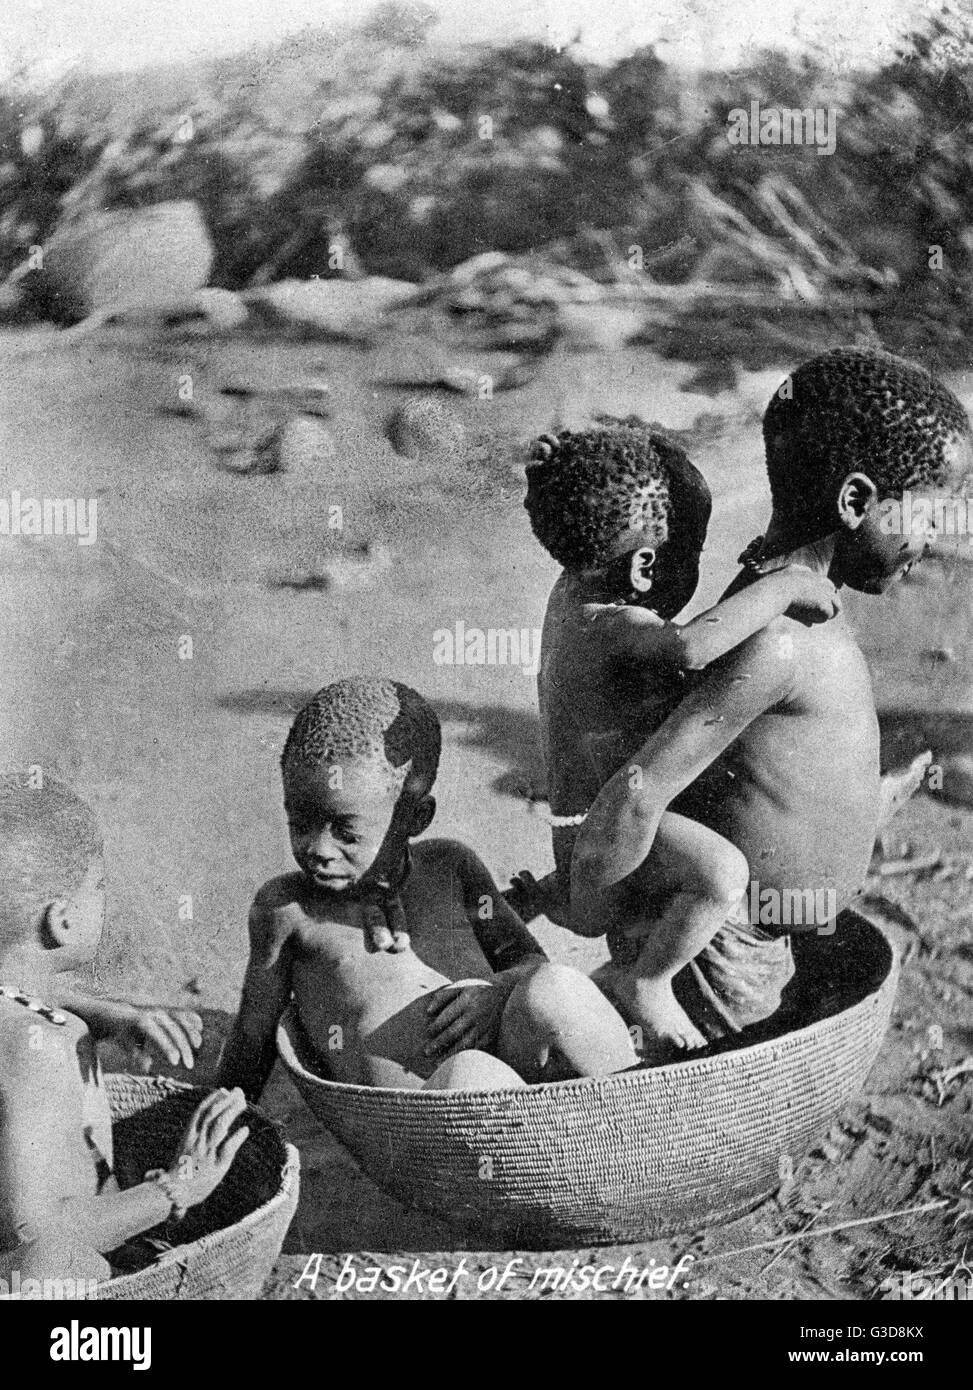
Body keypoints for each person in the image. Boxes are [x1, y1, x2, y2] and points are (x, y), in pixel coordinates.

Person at [568, 347, 971, 1054]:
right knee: (693, 1092)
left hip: (761, 940)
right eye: (931, 513)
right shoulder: (773, 639)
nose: (937, 539)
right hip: (718, 954)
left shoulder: (801, 612)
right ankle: (608, 997)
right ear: (854, 503)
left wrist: (865, 801)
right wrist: (591, 901)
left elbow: (778, 769)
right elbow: (641, 792)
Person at [515, 423, 841, 1058]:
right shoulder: (619, 626)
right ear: (644, 568)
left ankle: (557, 913)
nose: (697, 571)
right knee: (722, 875)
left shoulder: (570, 595)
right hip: (606, 839)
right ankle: (648, 982)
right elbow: (692, 648)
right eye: (690, 554)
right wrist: (787, 585)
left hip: (580, 829)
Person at [218, 677, 637, 1096]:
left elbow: (526, 958)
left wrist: (496, 992)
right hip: (421, 1127)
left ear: (415, 819)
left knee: (556, 986)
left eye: (346, 831)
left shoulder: (450, 867)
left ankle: (639, 1115)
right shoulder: (287, 910)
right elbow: (252, 1038)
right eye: (300, 823)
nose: (318, 849)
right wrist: (223, 1113)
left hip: (513, 1087)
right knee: (467, 1072)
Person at [0, 774, 248, 1291]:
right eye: (99, 887)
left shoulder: (25, 1019)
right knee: (61, 1264)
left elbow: (21, 995)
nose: (104, 898)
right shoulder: (41, 1051)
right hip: (42, 1271)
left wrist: (115, 1016)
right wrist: (176, 1188)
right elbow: (41, 1233)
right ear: (61, 921)